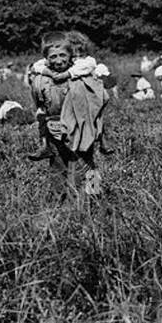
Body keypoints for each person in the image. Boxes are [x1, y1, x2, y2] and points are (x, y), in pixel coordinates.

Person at [28, 33, 108, 202]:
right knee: (58, 165)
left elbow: (98, 99)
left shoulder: (81, 72)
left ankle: (93, 198)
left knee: (85, 163)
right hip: (55, 129)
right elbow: (39, 104)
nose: (58, 61)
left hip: (81, 127)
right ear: (47, 59)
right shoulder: (41, 78)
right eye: (53, 57)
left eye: (63, 55)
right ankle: (60, 202)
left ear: (70, 55)